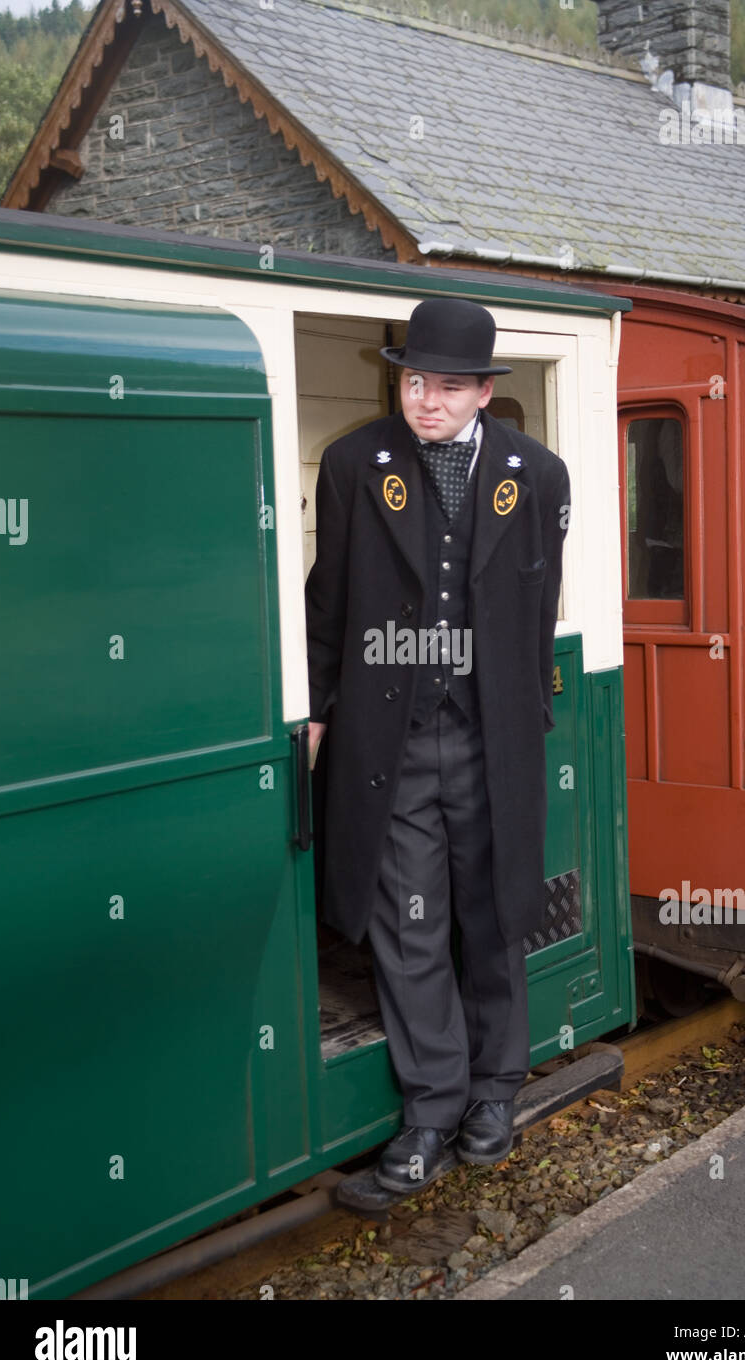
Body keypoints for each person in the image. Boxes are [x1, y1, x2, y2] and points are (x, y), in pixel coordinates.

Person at [305, 297, 570, 1194]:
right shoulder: (352, 464)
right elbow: (328, 601)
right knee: (409, 930)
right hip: (394, 740)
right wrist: (321, 709)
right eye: (416, 380)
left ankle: (496, 1091)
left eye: (449, 387)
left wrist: (529, 707)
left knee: (494, 914)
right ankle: (431, 1111)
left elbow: (538, 608)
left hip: (494, 735)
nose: (426, 400)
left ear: (484, 392)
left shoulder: (538, 475)